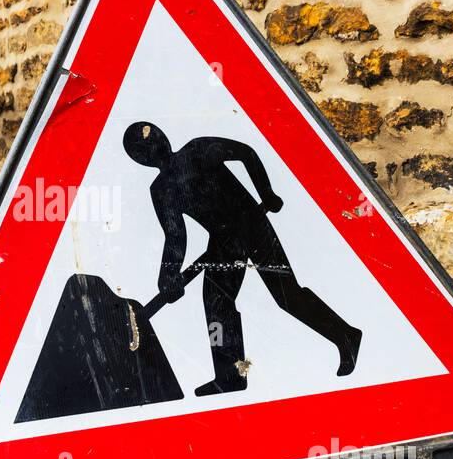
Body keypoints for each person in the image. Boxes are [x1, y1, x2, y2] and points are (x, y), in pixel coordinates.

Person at [123, 121, 362, 396]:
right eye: (144, 148)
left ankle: (346, 335)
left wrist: (266, 193)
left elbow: (245, 153)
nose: (152, 148)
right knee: (216, 305)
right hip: (222, 244)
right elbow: (175, 236)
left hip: (252, 226)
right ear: (140, 160)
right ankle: (230, 376)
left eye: (151, 140)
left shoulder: (198, 149)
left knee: (286, 296)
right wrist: (168, 275)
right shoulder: (161, 189)